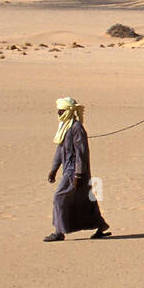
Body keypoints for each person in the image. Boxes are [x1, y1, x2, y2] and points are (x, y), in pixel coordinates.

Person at [45, 96, 110, 241]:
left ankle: (59, 231)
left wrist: (79, 175)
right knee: (85, 200)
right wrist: (54, 169)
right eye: (58, 111)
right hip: (68, 169)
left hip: (75, 171)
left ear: (68, 111)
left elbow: (82, 153)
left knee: (59, 197)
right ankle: (101, 226)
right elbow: (60, 151)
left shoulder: (77, 128)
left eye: (61, 111)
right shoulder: (64, 127)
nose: (59, 114)